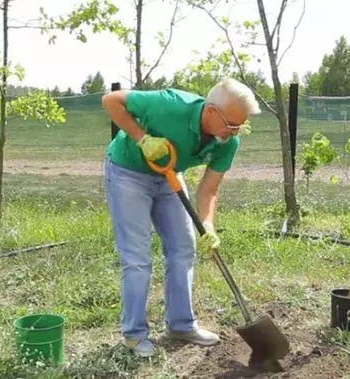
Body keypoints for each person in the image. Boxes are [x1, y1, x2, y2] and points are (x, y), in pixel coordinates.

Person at [101, 77, 261, 357]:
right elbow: (111, 101)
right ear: (211, 111)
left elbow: (210, 189)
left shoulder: (227, 142)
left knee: (183, 248)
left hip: (168, 175)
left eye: (240, 126)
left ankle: (180, 325)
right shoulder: (170, 104)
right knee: (138, 258)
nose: (235, 132)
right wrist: (143, 139)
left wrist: (208, 224)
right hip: (128, 172)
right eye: (231, 125)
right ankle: (135, 336)